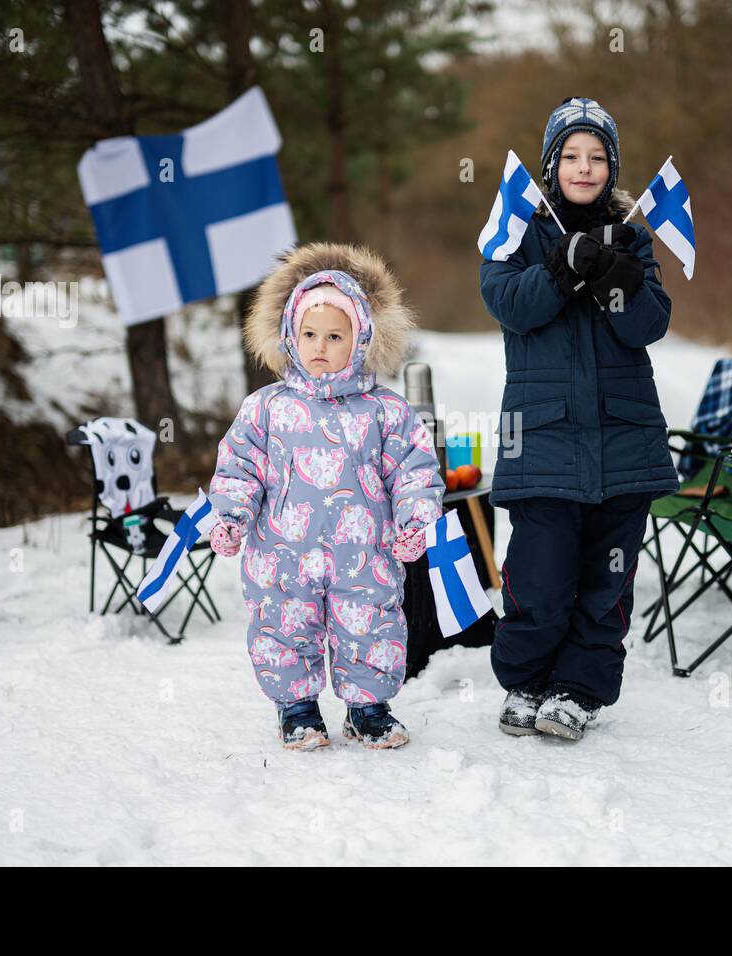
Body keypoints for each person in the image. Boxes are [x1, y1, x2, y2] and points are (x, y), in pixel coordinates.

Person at [479, 96, 679, 741]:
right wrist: (563, 271)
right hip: (541, 438)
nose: (585, 167)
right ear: (550, 164)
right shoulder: (520, 228)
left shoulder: (633, 234)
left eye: (598, 157)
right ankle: (525, 683)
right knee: (538, 578)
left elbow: (648, 324)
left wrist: (618, 275)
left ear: (612, 167)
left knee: (606, 584)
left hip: (624, 439)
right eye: (571, 156)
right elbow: (509, 303)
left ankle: (579, 689)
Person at [207, 243, 444, 751]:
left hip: (364, 555)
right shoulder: (266, 408)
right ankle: (296, 708)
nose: (321, 345)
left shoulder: (384, 411)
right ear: (290, 338)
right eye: (309, 334)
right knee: (283, 625)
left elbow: (415, 471)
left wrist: (414, 521)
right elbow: (238, 468)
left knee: (371, 624)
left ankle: (368, 708)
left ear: (360, 341)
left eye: (335, 336)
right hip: (282, 557)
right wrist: (229, 517)